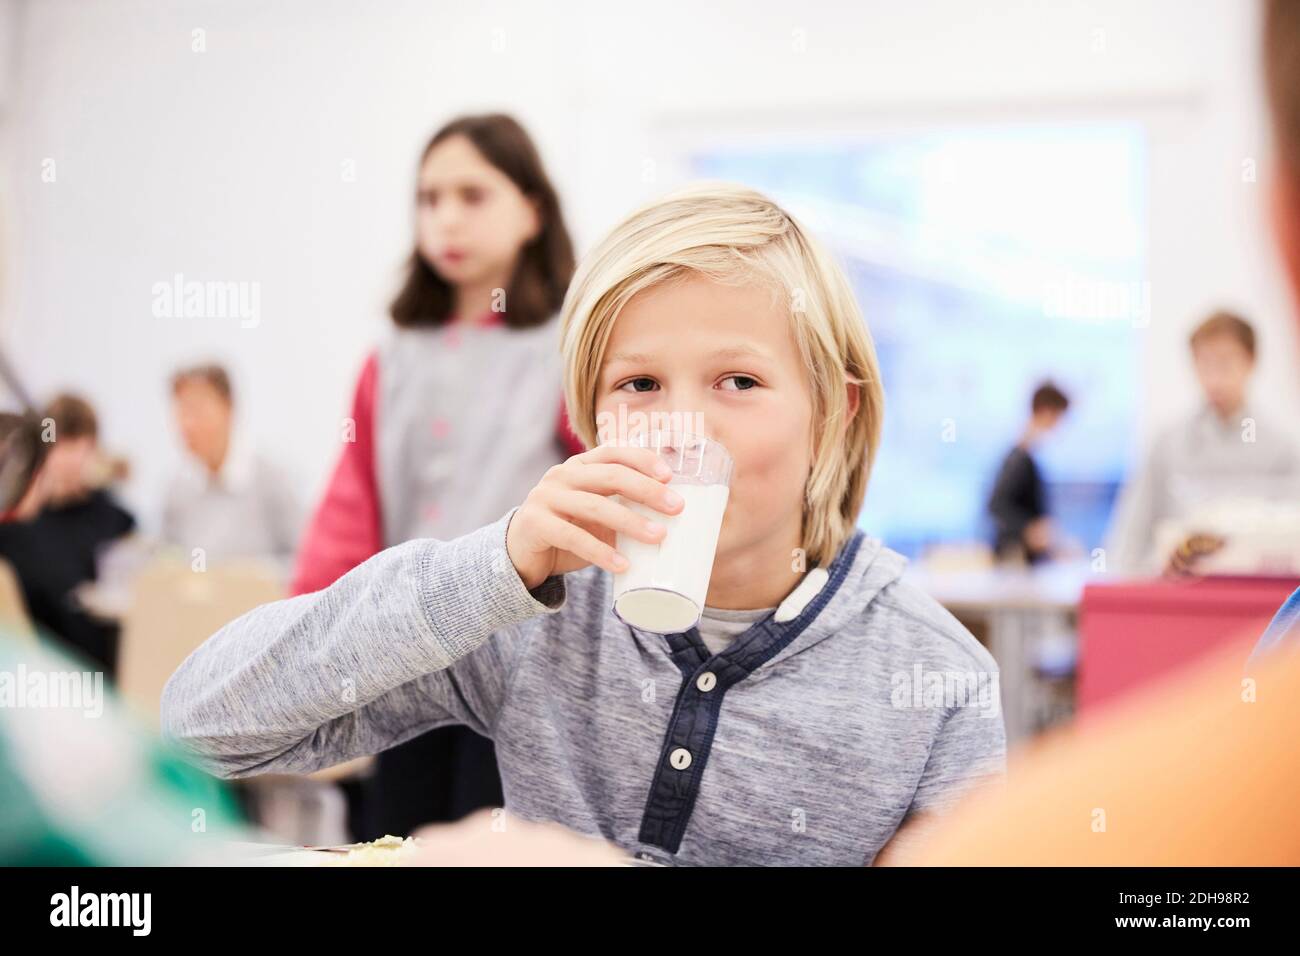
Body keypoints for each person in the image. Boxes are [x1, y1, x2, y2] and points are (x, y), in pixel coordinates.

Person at [162, 183, 1006, 866]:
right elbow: (200, 727)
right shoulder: (535, 613)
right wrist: (493, 568)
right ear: (590, 421)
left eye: (737, 382)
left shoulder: (938, 681)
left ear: (832, 413)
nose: (684, 428)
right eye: (639, 385)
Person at [291, 114, 581, 839]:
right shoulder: (390, 358)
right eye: (429, 198)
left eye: (472, 195)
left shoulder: (571, 349)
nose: (446, 217)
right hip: (404, 666)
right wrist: (302, 645)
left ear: (532, 210)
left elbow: (611, 487)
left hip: (529, 675)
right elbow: (350, 507)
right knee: (399, 842)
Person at [1105, 310, 1300, 574]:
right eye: (1204, 363)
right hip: (1179, 599)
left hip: (1259, 604)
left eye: (1225, 362)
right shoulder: (1167, 445)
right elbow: (1129, 538)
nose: (1214, 377)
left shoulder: (1281, 448)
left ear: (1250, 362)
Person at [0, 394, 134, 674]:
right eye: (61, 445)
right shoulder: (15, 526)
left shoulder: (117, 520)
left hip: (105, 675)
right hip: (34, 674)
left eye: (81, 446)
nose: (70, 459)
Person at [162, 363, 302, 571]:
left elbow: (303, 561)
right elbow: (169, 563)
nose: (187, 424)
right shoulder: (177, 489)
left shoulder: (272, 480)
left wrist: (250, 576)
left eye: (196, 409)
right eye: (181, 411)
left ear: (228, 408)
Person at [986, 381, 1069, 564]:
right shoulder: (1019, 459)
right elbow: (995, 505)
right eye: (1058, 417)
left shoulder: (1028, 457)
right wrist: (1029, 529)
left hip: (1025, 558)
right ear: (1046, 412)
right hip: (1015, 558)